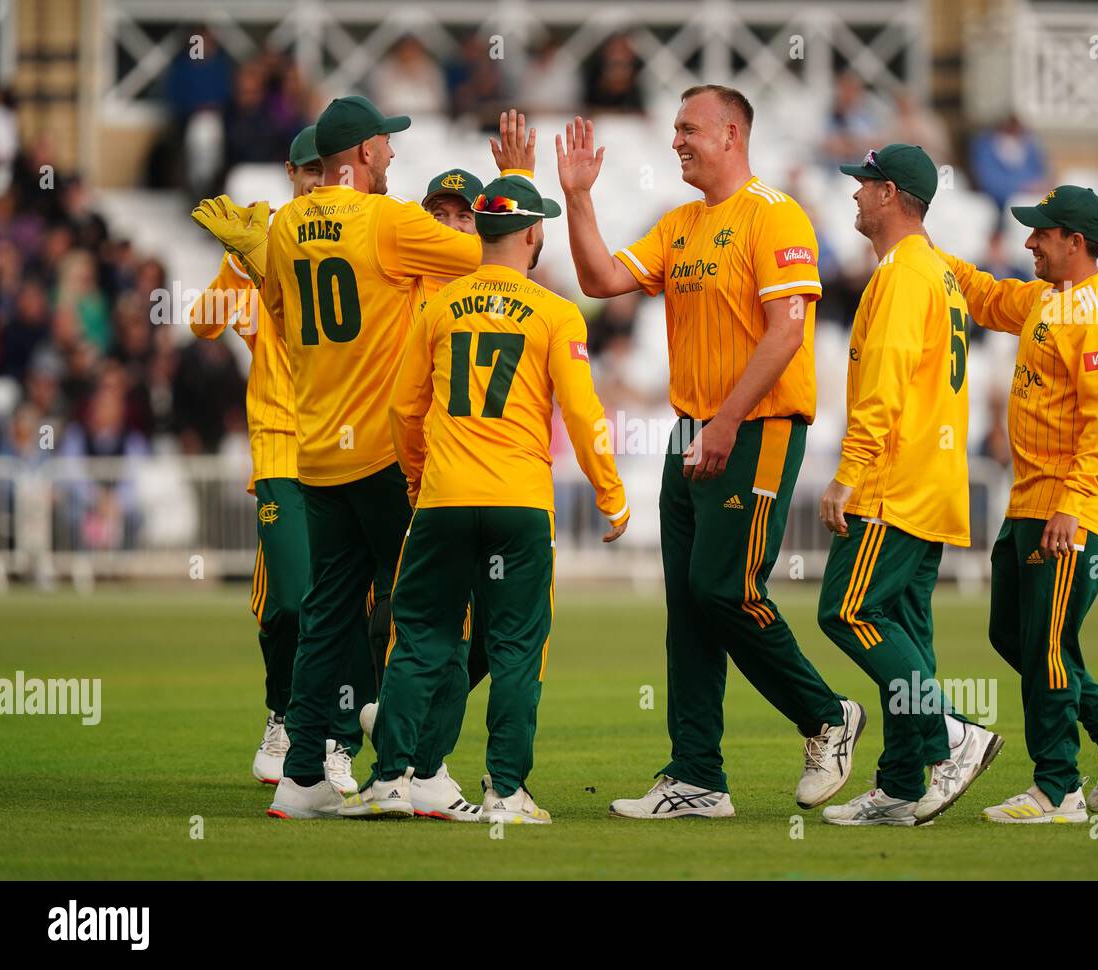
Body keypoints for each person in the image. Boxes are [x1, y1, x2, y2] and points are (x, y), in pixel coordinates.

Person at [195, 96, 531, 819]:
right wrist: (518, 182)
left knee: (328, 618)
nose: (394, 156)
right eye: (387, 145)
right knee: (431, 612)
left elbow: (279, 323)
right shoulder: (387, 220)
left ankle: (304, 775)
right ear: (363, 155)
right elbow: (490, 256)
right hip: (383, 453)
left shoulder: (284, 227)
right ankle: (417, 772)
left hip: (315, 454)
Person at [558, 85, 863, 819]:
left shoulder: (776, 214)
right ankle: (696, 776)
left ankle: (826, 715)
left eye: (689, 129)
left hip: (754, 429)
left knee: (725, 588)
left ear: (732, 133)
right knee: (689, 606)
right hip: (692, 431)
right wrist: (577, 198)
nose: (677, 142)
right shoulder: (682, 225)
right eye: (673, 131)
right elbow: (601, 281)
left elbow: (786, 332)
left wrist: (725, 423)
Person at [342, 175, 630, 823]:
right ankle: (506, 791)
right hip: (520, 505)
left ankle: (390, 782)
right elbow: (583, 415)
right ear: (531, 234)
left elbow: (402, 409)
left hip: (444, 501)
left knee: (419, 641)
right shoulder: (557, 313)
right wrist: (612, 494)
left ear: (483, 229)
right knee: (516, 651)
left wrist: (418, 480)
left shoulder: (438, 309)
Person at [936, 186, 1098, 823]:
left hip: (1073, 509)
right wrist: (927, 254)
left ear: (1074, 240)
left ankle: (1057, 789)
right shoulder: (1048, 299)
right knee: (1012, 634)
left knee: (1043, 643)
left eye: (1041, 232)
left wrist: (1069, 504)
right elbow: (984, 297)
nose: (1030, 241)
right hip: (1031, 501)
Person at [816, 145, 1002, 826]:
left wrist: (846, 474)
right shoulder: (936, 272)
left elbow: (884, 388)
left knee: (848, 611)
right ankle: (899, 784)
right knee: (904, 631)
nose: (855, 196)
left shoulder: (902, 274)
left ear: (890, 193)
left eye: (864, 186)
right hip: (934, 482)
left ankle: (951, 734)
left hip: (894, 483)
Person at [190, 125, 362, 788]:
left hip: (347, 440)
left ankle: (332, 737)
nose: (318, 181)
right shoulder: (259, 241)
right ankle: (283, 717)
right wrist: (238, 262)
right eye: (308, 170)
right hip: (281, 443)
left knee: (351, 601)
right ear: (290, 173)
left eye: (329, 169)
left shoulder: (350, 239)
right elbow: (205, 322)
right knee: (291, 600)